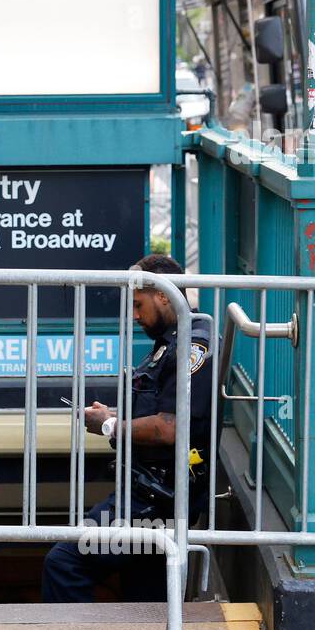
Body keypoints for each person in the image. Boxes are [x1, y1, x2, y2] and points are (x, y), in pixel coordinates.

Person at [41, 254, 214, 602]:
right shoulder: (172, 341)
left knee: (64, 563)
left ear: (164, 295)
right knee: (146, 599)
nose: (134, 315)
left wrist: (108, 424)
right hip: (151, 500)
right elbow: (160, 411)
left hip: (151, 505)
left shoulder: (191, 345)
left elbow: (172, 428)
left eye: (139, 304)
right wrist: (114, 418)